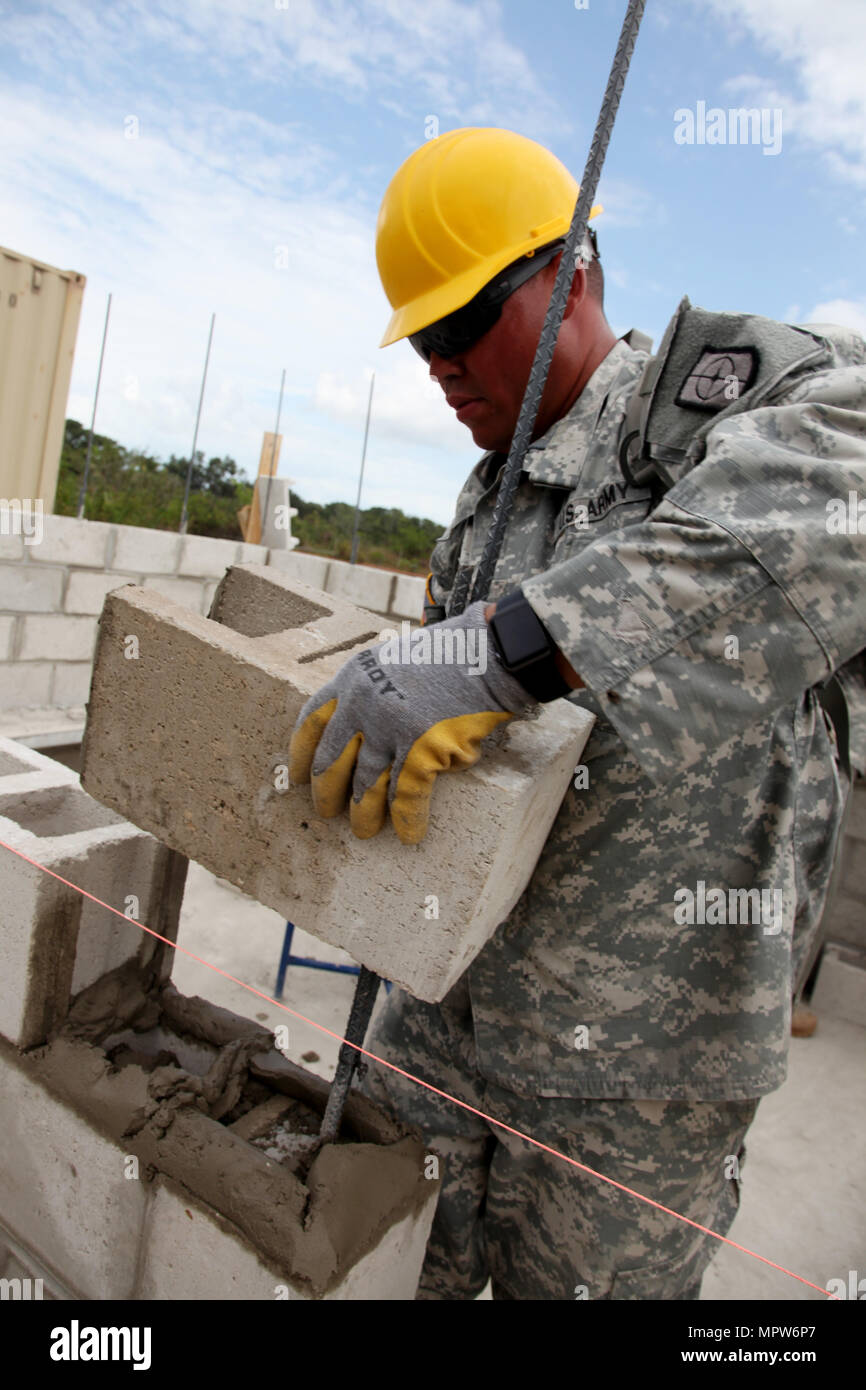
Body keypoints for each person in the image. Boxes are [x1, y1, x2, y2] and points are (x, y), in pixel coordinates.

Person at [290, 127, 866, 1299]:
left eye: (462, 327)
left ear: (572, 273)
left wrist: (503, 652)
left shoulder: (708, 413)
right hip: (442, 1022)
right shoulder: (484, 496)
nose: (441, 368)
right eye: (423, 344)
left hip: (637, 1086)